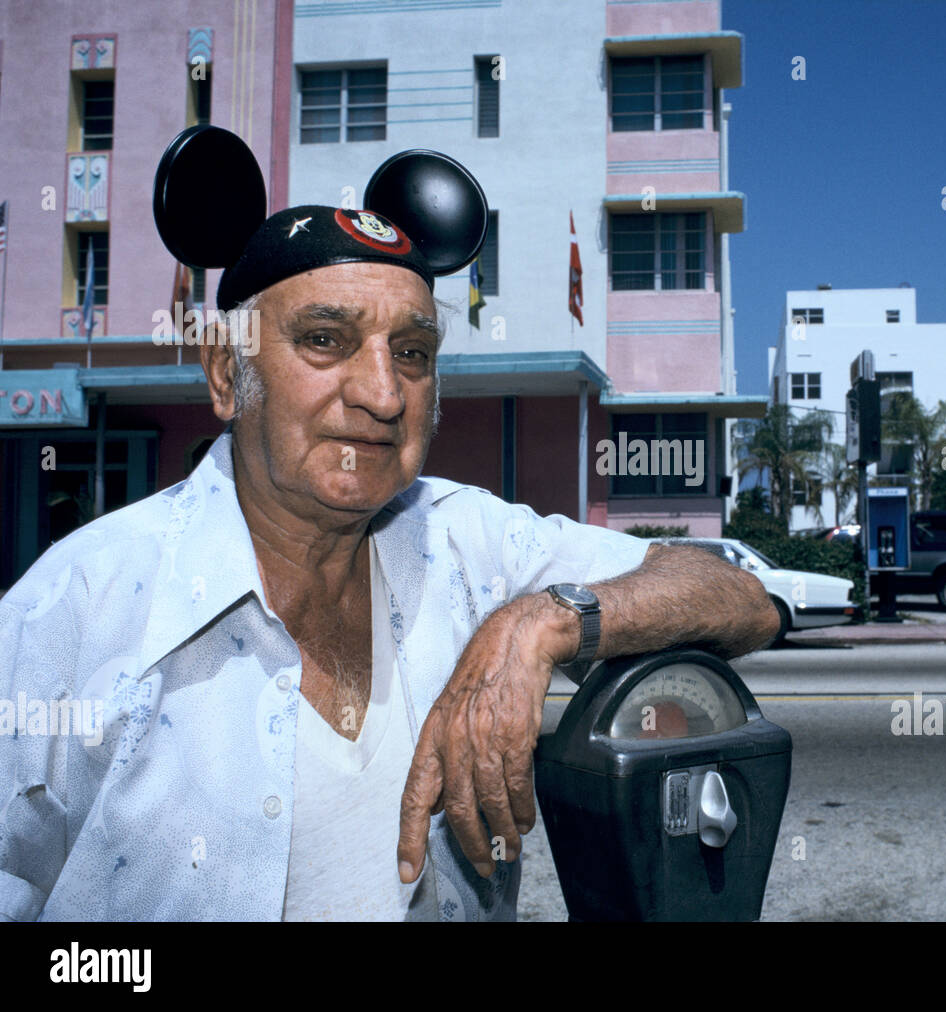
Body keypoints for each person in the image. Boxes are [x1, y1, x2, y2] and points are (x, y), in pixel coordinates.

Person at [0, 129, 778, 921]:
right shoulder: (70, 614)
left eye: (411, 352)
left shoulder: (468, 543)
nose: (382, 393)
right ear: (226, 373)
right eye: (325, 340)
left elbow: (742, 596)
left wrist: (541, 622)